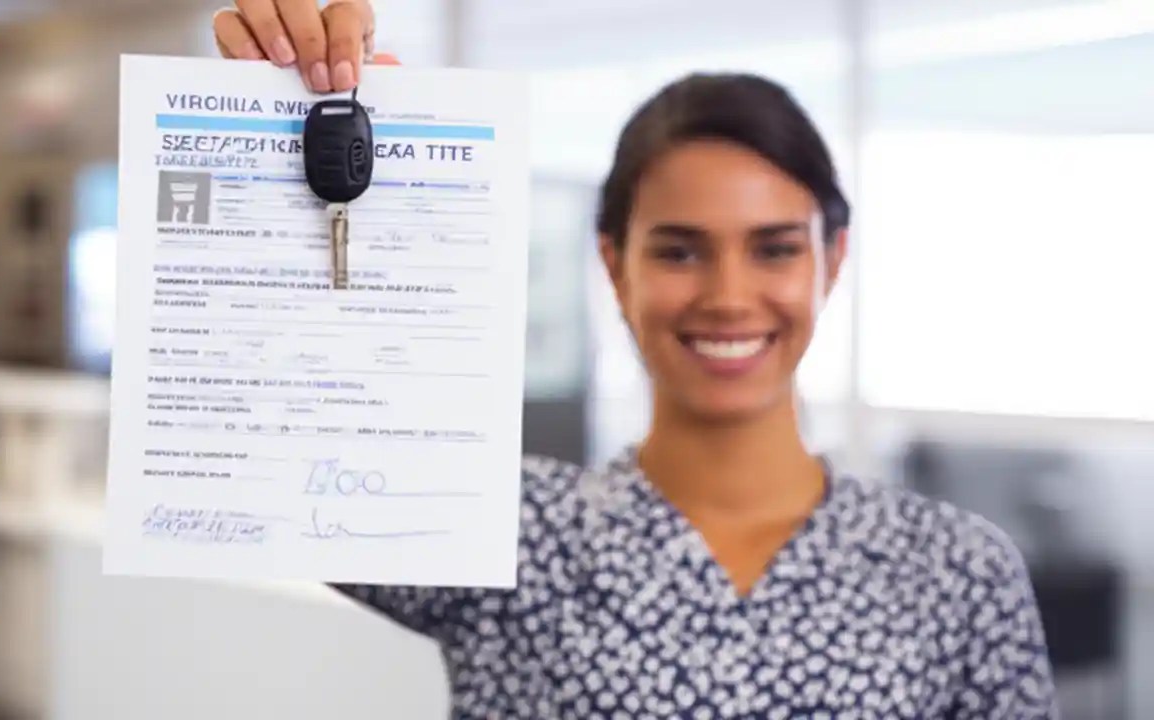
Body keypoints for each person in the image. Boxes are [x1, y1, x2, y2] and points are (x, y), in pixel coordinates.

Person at [212, 2, 1059, 717]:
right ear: (614, 265)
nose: (729, 295)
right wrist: (275, 117)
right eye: (680, 252)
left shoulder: (957, 571)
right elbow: (273, 454)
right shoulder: (504, 534)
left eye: (772, 250)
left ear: (832, 261)